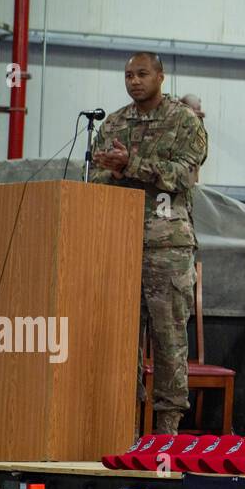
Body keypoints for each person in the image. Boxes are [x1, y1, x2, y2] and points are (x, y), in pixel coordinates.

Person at [90, 52, 208, 436]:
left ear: (161, 75)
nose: (134, 81)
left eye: (142, 73)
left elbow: (185, 176)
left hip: (167, 247)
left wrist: (131, 166)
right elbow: (95, 177)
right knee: (120, 340)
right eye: (128, 74)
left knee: (169, 337)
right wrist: (115, 170)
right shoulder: (114, 124)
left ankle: (167, 428)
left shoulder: (183, 121)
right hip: (119, 245)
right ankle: (123, 422)